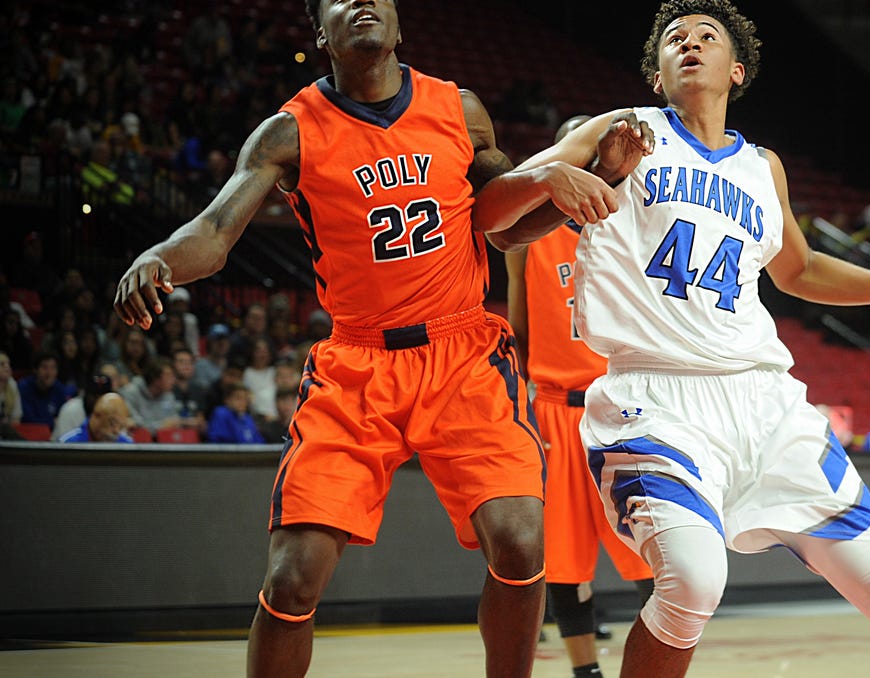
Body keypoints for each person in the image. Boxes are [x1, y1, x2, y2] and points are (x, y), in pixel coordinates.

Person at [481, 2, 870, 675]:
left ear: (738, 68)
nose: (690, 44)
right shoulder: (621, 132)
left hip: (765, 404)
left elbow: (801, 269)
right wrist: (555, 175)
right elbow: (494, 217)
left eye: (707, 37)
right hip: (654, 401)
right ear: (658, 75)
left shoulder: (762, 167)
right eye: (675, 39)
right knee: (693, 580)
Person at [112, 0, 620, 674]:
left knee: (524, 546)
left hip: (462, 354)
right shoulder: (287, 132)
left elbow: (502, 227)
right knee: (293, 577)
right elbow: (213, 233)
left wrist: (578, 184)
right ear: (320, 30)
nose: (362, 1)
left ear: (399, 23)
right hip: (358, 364)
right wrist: (159, 259)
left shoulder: (457, 109)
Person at [507, 116, 656, 678]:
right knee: (564, 563)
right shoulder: (529, 236)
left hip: (620, 405)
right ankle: (585, 672)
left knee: (653, 550)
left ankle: (654, 666)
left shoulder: (639, 229)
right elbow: (519, 324)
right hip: (553, 409)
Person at [118, 356, 185, 436]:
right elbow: (135, 425)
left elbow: (174, 422)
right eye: (168, 375)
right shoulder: (130, 393)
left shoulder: (168, 395)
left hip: (164, 442)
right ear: (155, 378)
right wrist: (161, 426)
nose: (173, 380)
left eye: (173, 376)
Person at [18, 351, 72, 427]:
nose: (49, 373)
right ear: (35, 370)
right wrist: (52, 422)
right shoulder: (24, 387)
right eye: (44, 368)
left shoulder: (59, 388)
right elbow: (27, 420)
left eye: (53, 368)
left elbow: (64, 417)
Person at [58, 392, 134, 443]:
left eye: (121, 427)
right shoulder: (68, 444)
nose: (116, 431)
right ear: (97, 417)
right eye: (112, 423)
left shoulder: (126, 445)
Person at [0, 351, 21, 439]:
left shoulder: (12, 384)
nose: (7, 366)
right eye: (2, 364)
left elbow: (16, 417)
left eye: (8, 364)